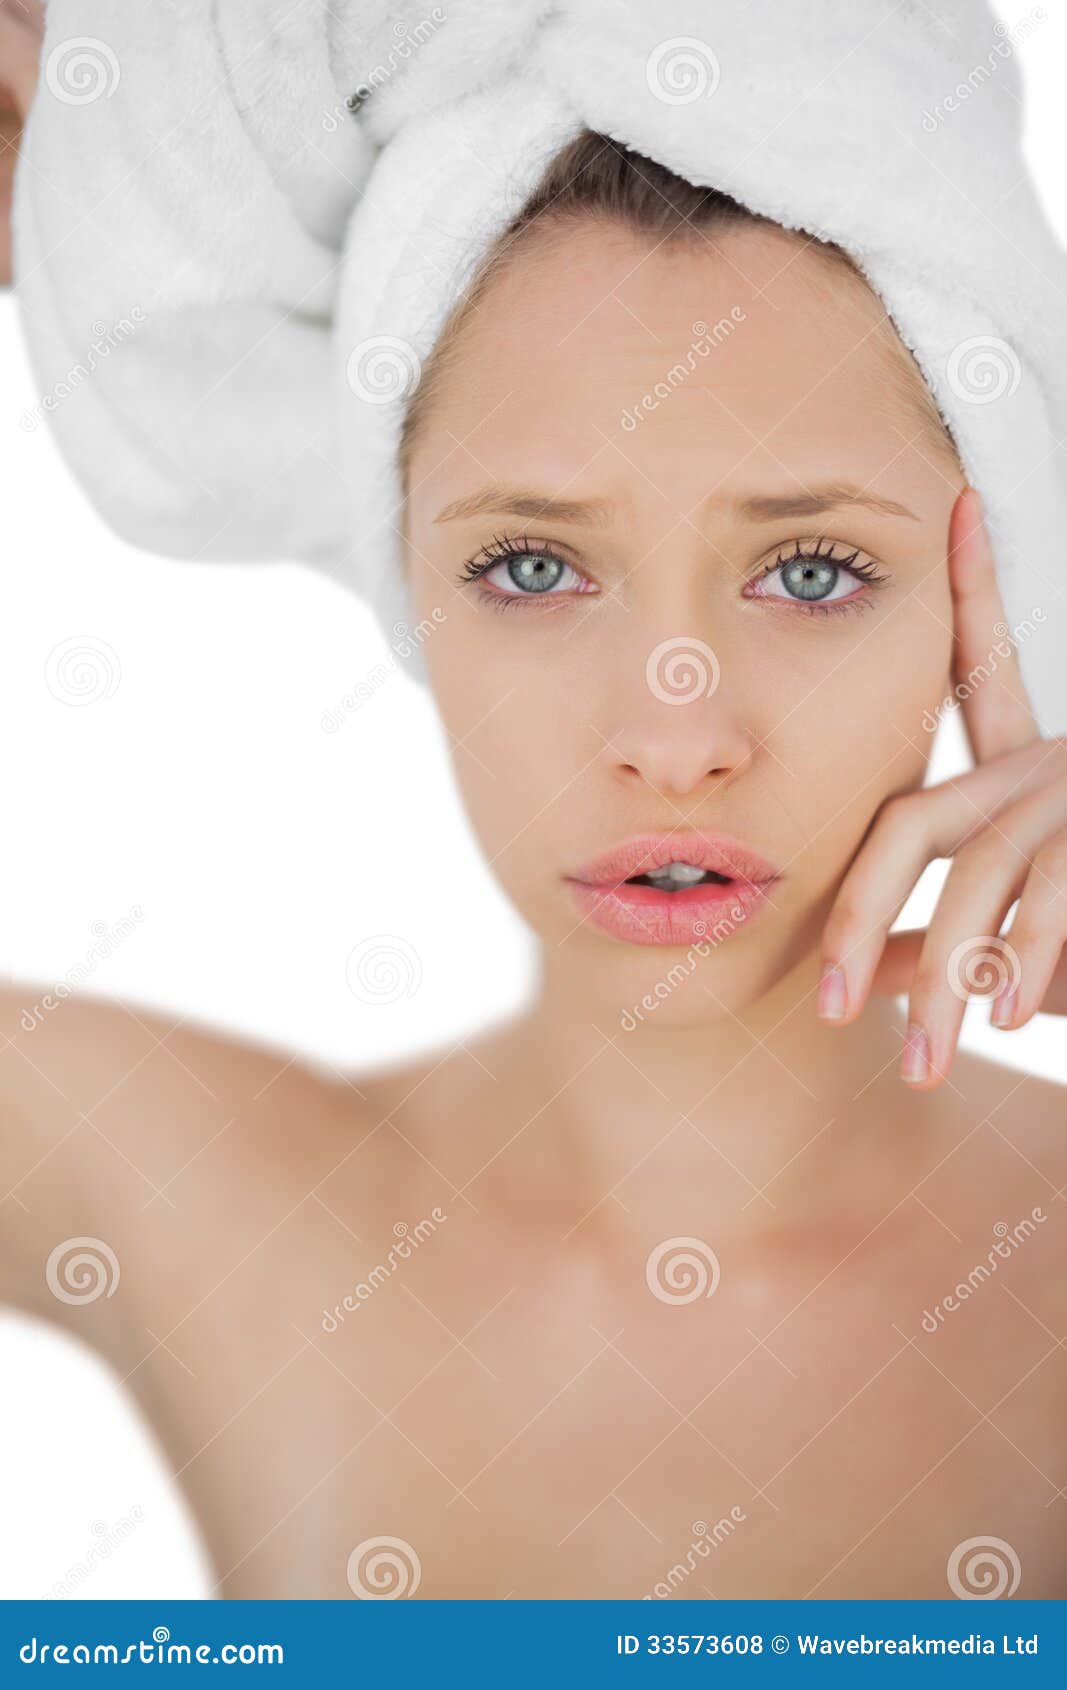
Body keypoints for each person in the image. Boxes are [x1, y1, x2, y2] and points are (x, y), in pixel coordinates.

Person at [2, 19, 1066, 1602]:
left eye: (813, 570)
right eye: (533, 566)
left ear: (988, 604)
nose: (676, 733)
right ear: (406, 580)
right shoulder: (178, 1187)